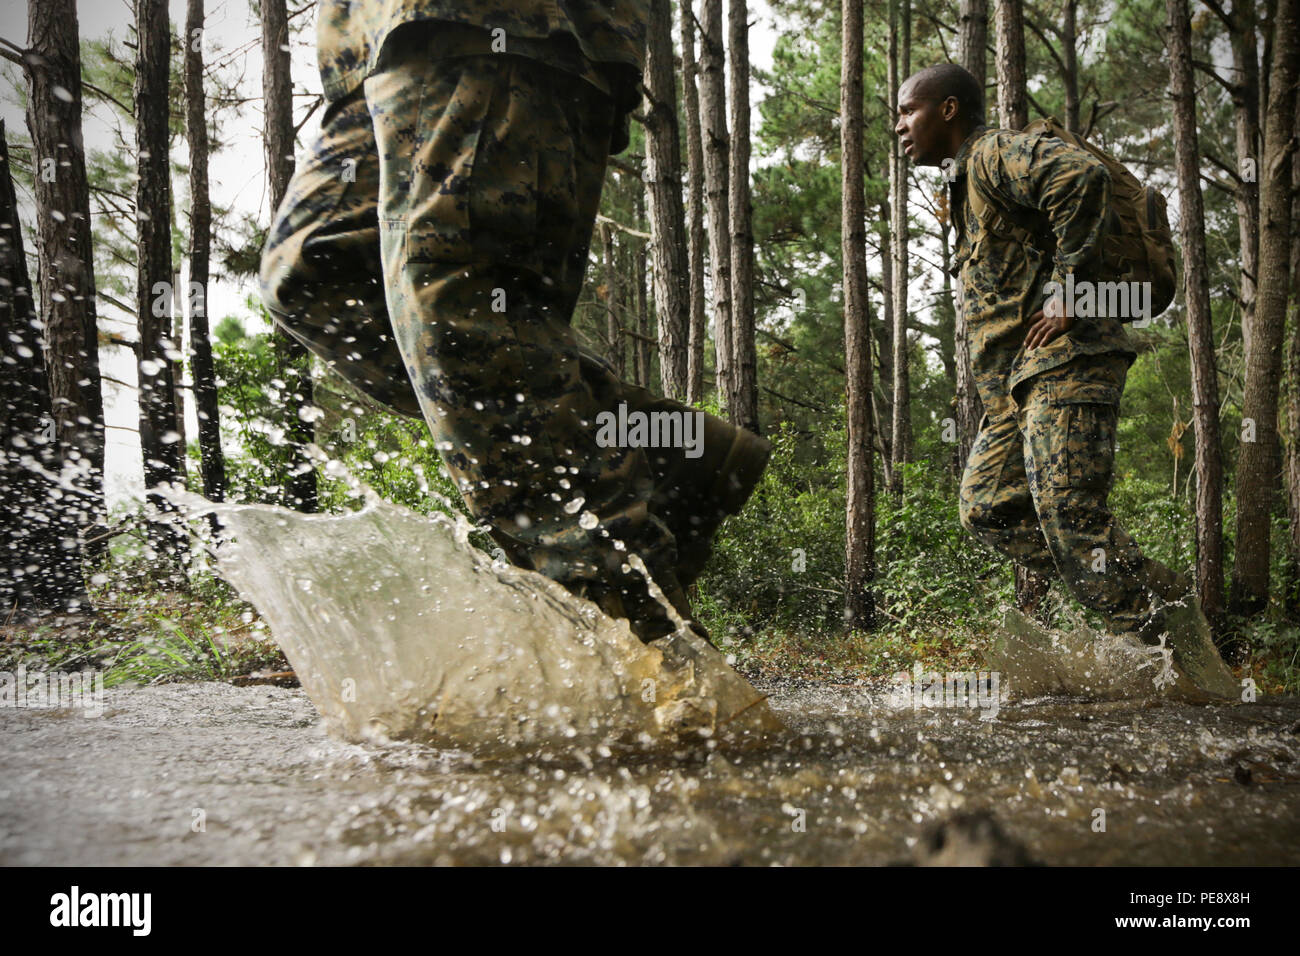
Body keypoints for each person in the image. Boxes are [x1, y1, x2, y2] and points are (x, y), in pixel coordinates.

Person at [259, 2, 771, 643]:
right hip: (368, 46)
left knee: (460, 317)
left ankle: (644, 651)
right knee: (312, 273)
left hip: (491, 23)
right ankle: (674, 452)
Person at [892, 63, 1189, 646]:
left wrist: (1072, 288)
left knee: (1070, 515)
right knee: (986, 505)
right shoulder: (966, 186)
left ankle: (1179, 653)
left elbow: (1078, 176)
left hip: (1067, 360)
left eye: (908, 111)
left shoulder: (991, 154)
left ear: (947, 110)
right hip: (1017, 392)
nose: (900, 126)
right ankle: (1162, 596)